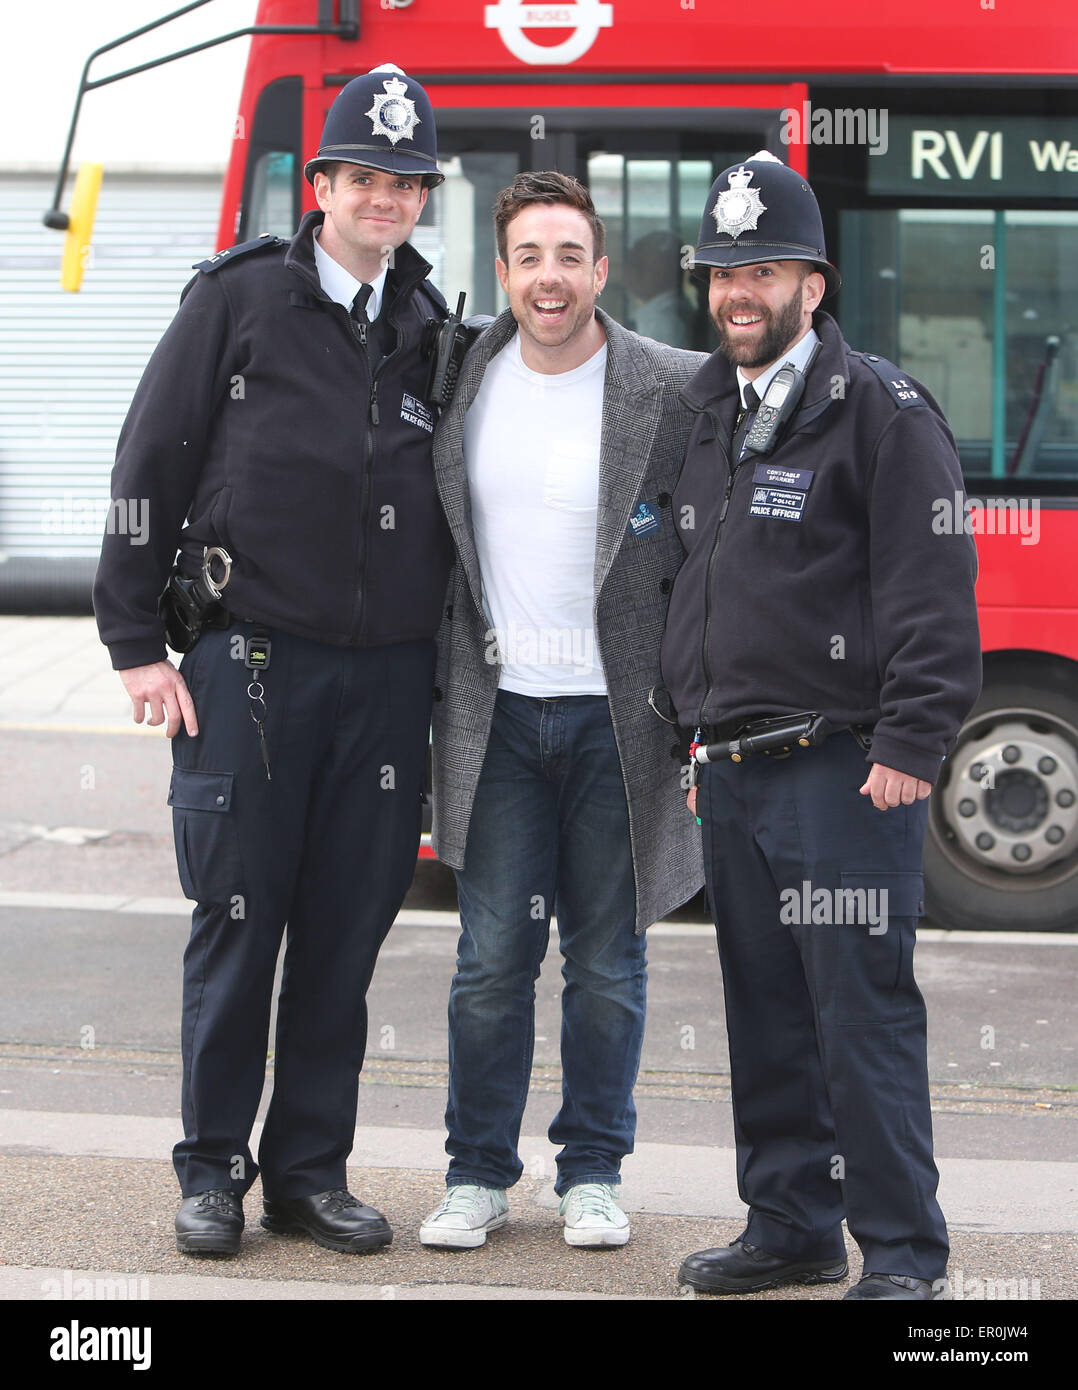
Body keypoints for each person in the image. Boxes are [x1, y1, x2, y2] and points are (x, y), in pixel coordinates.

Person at [93, 65, 452, 1258]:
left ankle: (309, 1173)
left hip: (387, 679)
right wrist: (135, 641)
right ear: (323, 187)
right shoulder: (239, 301)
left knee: (345, 939)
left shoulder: (427, 324)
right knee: (239, 922)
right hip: (250, 664)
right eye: (366, 179)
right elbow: (147, 463)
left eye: (406, 184)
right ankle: (211, 1173)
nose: (385, 200)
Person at [660, 152, 981, 1300]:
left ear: (811, 280)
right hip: (736, 773)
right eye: (721, 271)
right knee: (769, 1019)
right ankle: (789, 1221)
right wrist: (693, 734)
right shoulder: (710, 409)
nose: (737, 292)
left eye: (761, 268)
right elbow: (697, 586)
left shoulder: (877, 412)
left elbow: (935, 593)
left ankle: (901, 1256)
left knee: (862, 1021)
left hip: (843, 777)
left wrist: (910, 746)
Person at [418, 171, 705, 1249]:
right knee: (490, 957)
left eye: (569, 256)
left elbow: (707, 548)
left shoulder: (671, 388)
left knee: (609, 961)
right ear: (502, 273)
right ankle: (477, 1173)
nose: (550, 277)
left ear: (598, 268)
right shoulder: (459, 377)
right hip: (495, 718)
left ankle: (590, 1171)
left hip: (614, 721)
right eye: (529, 257)